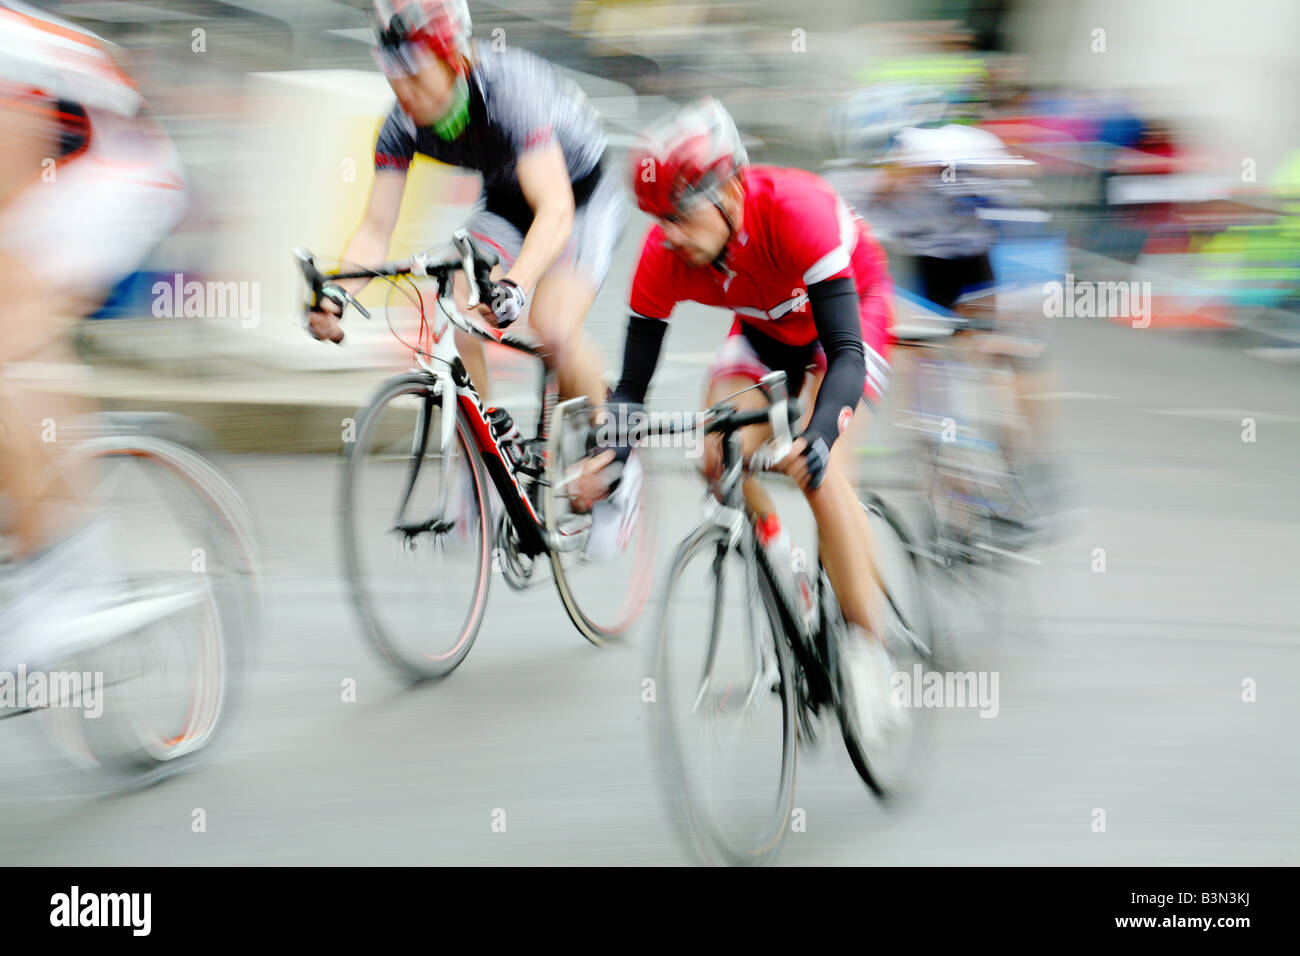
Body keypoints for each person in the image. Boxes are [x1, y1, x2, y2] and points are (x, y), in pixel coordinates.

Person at [576, 98, 904, 745]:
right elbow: (630, 392)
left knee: (824, 470)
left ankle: (872, 657)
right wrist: (610, 456)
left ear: (729, 190)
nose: (666, 232)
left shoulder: (795, 213)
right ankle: (784, 563)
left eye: (679, 213)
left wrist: (816, 435)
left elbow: (842, 356)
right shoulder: (666, 253)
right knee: (714, 451)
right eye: (656, 218)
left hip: (847, 320)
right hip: (766, 332)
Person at [304, 0, 637, 556]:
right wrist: (338, 293)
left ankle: (616, 465)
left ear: (454, 59)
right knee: (458, 304)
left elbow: (554, 209)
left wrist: (519, 284)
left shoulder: (510, 90)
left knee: (554, 324)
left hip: (579, 197)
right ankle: (485, 465)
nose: (404, 91)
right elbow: (375, 228)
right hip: (506, 202)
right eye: (394, 76)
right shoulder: (399, 124)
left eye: (415, 73)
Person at [0, 0, 188, 671]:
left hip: (118, 173)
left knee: (12, 343)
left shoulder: (6, 47)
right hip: (56, 168)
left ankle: (69, 575)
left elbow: (14, 176)